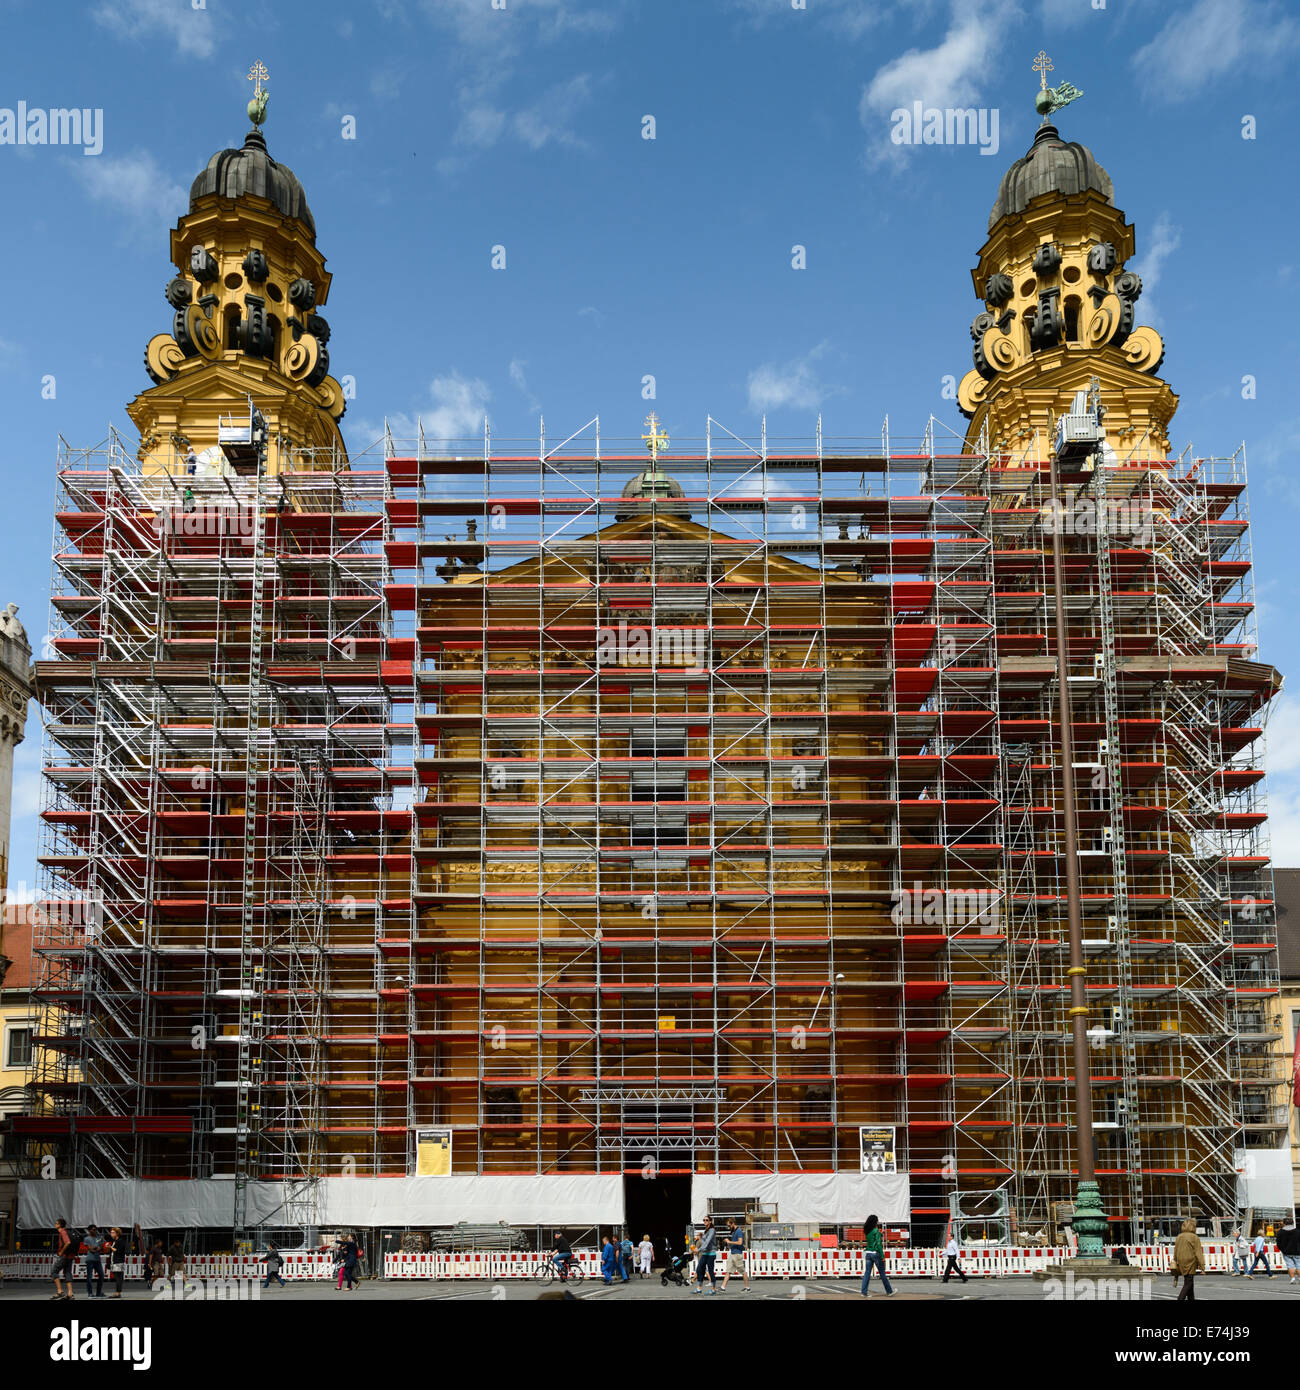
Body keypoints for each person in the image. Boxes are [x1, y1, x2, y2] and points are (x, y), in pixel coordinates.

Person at [859, 1214, 893, 1297]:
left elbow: (872, 1238)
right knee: (882, 1273)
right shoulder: (876, 1230)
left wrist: (880, 1233)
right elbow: (878, 1243)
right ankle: (889, 1291)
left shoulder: (867, 1230)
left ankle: (864, 1292)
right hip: (876, 1253)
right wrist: (882, 1256)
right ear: (875, 1222)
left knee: (867, 1273)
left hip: (868, 1253)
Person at [1173, 1218, 1205, 1302]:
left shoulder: (1179, 1236)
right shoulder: (1194, 1237)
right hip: (1190, 1261)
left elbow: (1175, 1250)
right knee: (1188, 1283)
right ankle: (1180, 1299)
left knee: (1189, 1282)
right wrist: (1202, 1266)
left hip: (1181, 1261)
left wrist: (1175, 1261)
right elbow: (1198, 1252)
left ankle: (1191, 1298)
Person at [720, 1219, 749, 1293]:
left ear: (733, 1223)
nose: (728, 1227)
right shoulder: (734, 1231)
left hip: (737, 1254)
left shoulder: (738, 1231)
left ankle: (747, 1287)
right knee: (728, 1271)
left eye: (729, 1225)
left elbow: (740, 1242)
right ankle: (723, 1287)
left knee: (743, 1271)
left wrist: (729, 1241)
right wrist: (728, 1243)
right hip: (733, 1253)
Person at [51, 1218, 76, 1302]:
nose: (55, 1224)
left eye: (56, 1223)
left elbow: (67, 1242)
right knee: (67, 1272)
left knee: (54, 1271)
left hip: (65, 1256)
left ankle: (60, 1291)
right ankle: (70, 1293)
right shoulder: (67, 1232)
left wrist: (61, 1251)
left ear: (60, 1225)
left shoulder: (62, 1232)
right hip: (70, 1256)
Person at [694, 1217, 718, 1294]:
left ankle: (713, 1290)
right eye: (703, 1220)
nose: (705, 1221)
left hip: (711, 1253)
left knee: (710, 1271)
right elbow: (704, 1241)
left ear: (710, 1221)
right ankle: (699, 1288)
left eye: (706, 1220)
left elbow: (707, 1242)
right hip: (705, 1253)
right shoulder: (706, 1230)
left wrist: (698, 1249)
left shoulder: (712, 1230)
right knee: (699, 1269)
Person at [82, 1225, 106, 1299]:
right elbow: (91, 1249)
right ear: (89, 1230)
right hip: (90, 1259)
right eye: (93, 1229)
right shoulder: (87, 1238)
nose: (95, 1231)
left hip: (97, 1259)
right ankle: (90, 1293)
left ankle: (98, 1293)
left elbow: (102, 1247)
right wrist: (97, 1248)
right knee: (89, 1277)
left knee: (101, 1275)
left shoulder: (99, 1238)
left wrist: (97, 1248)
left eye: (95, 1229)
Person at [1275, 1216, 1299, 1285]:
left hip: (1286, 1251)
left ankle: (1292, 1278)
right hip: (1297, 1251)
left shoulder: (1281, 1232)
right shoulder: (1297, 1231)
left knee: (1290, 1265)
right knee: (1299, 1265)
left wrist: (1282, 1249)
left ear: (1284, 1223)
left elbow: (1278, 1243)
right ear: (1293, 1223)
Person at [106, 1227, 126, 1298]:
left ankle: (117, 1293)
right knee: (117, 1277)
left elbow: (117, 1250)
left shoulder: (120, 1241)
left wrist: (110, 1247)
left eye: (113, 1232)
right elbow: (112, 1251)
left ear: (117, 1233)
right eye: (111, 1232)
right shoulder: (115, 1241)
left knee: (118, 1278)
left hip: (118, 1262)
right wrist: (109, 1247)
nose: (111, 1234)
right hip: (114, 1261)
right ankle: (118, 1292)